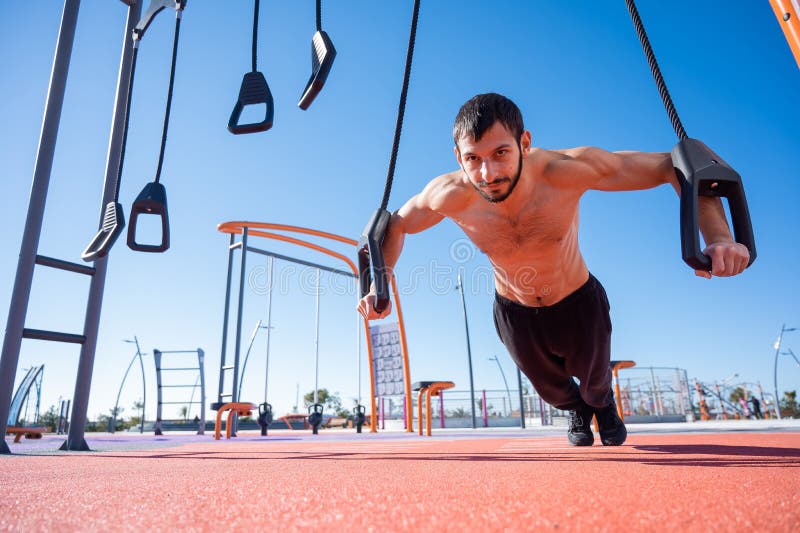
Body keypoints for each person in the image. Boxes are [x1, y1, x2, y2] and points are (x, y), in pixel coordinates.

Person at [357, 93, 750, 446]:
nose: (488, 174)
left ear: (524, 143)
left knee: (595, 385)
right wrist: (380, 283)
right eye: (473, 159)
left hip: (578, 300)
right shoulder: (448, 194)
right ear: (458, 157)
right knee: (551, 392)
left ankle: (601, 404)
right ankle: (577, 410)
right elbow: (395, 224)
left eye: (501, 154)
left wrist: (717, 235)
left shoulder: (566, 170)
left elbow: (679, 165)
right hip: (514, 310)